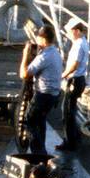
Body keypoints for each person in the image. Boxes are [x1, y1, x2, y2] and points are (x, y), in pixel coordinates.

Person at [20, 23, 63, 156]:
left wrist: (25, 54)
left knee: (30, 122)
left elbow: (24, 74)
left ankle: (38, 154)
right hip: (53, 94)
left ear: (43, 40)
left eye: (38, 37)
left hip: (43, 95)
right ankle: (42, 152)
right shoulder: (55, 52)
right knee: (41, 120)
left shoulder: (44, 57)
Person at [61, 18, 89, 150]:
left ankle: (69, 142)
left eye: (69, 31)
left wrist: (63, 75)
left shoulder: (78, 45)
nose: (67, 34)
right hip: (79, 80)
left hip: (74, 80)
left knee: (67, 111)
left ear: (77, 31)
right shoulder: (83, 41)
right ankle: (75, 136)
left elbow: (75, 65)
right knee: (71, 110)